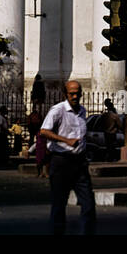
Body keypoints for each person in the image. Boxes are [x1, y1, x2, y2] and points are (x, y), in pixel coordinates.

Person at [40, 79, 96, 235]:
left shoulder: (82, 111)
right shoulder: (58, 110)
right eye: (72, 93)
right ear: (65, 94)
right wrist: (66, 140)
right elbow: (44, 131)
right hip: (61, 161)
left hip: (79, 163)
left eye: (77, 93)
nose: (75, 96)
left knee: (88, 204)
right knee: (59, 205)